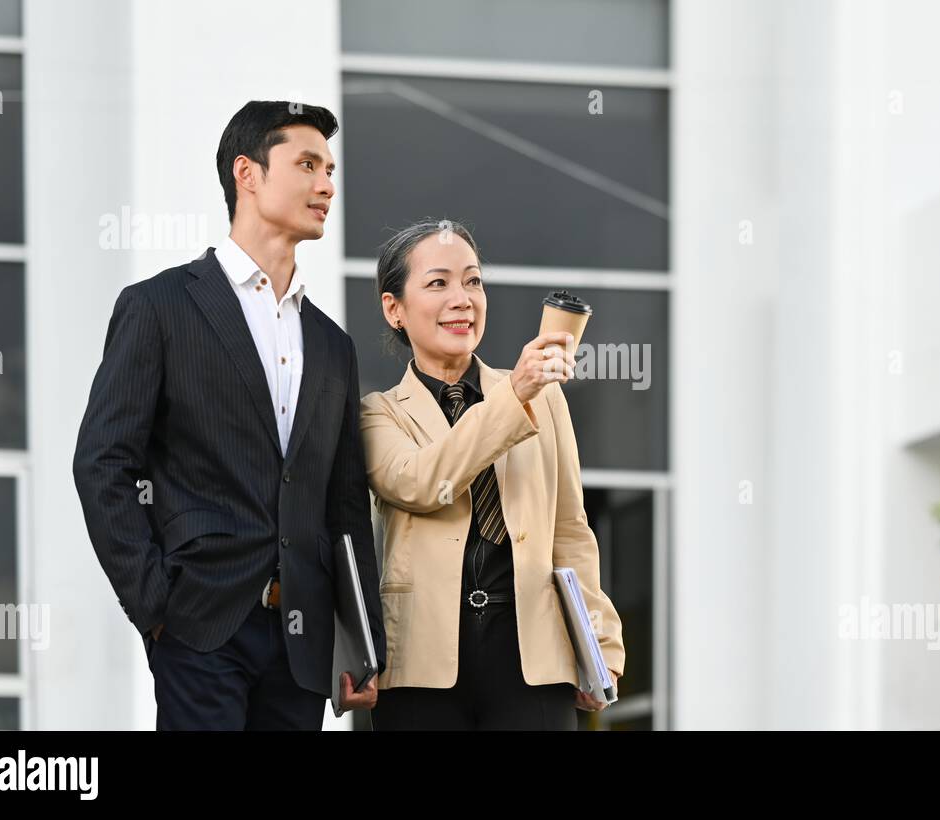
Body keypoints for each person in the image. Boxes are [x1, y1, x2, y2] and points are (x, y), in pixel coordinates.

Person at [72, 100, 382, 730]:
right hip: (199, 625)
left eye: (330, 168)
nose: (327, 185)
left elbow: (345, 504)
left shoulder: (332, 345)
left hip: (302, 645)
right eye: (307, 164)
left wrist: (362, 639)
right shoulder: (159, 307)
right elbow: (103, 460)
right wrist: (153, 601)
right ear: (248, 173)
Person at [361, 219, 625, 730]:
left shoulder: (542, 399)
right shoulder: (378, 413)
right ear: (394, 309)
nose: (463, 298)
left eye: (473, 280)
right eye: (438, 283)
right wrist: (516, 394)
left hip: (532, 653)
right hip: (420, 661)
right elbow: (420, 483)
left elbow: (570, 530)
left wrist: (600, 643)